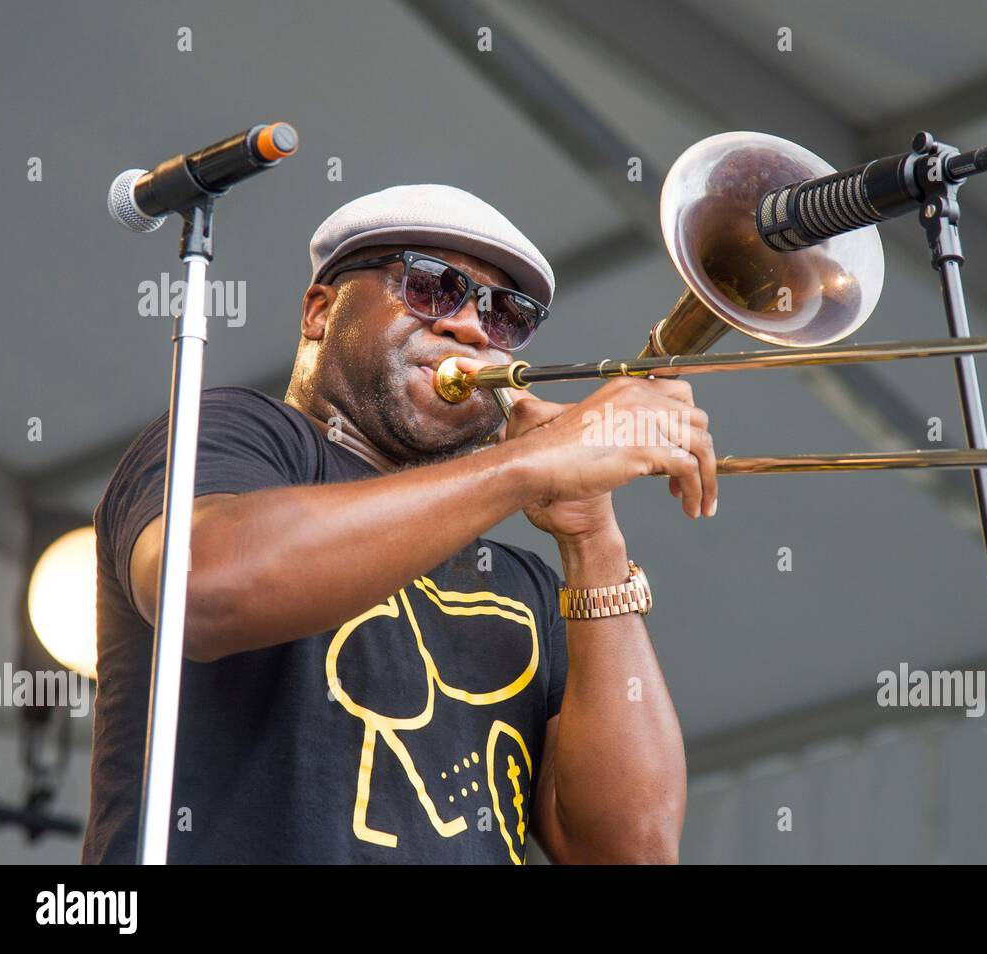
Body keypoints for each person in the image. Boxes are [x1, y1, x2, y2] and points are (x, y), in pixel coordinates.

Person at [82, 184, 717, 864]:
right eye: (433, 286)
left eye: (506, 316)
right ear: (321, 312)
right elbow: (206, 587)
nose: (472, 328)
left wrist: (592, 537)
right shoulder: (242, 437)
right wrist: (530, 465)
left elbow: (633, 851)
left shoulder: (527, 587)